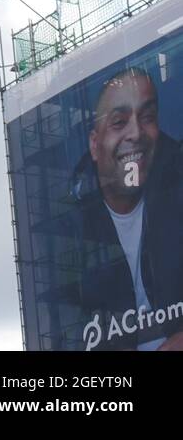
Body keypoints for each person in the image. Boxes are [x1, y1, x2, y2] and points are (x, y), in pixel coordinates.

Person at [76, 67, 183, 350]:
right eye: (119, 121)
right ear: (95, 145)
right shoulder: (73, 226)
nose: (135, 133)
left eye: (147, 117)